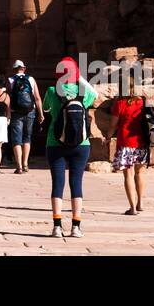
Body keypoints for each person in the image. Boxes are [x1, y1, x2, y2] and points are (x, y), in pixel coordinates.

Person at [42, 56, 97, 237]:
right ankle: (76, 227)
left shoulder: (52, 90)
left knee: (57, 184)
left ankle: (57, 226)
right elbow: (95, 94)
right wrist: (80, 78)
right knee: (76, 183)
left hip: (55, 142)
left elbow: (46, 109)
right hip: (81, 144)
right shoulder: (84, 93)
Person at [110, 91, 149, 214]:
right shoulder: (143, 102)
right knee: (140, 173)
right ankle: (140, 203)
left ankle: (132, 208)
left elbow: (113, 124)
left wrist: (108, 136)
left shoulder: (120, 103)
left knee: (129, 175)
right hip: (141, 142)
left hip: (126, 143)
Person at [6, 60, 44, 175]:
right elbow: (37, 98)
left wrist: (7, 114)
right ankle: (25, 164)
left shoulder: (10, 80)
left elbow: (7, 99)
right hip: (30, 111)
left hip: (15, 112)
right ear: (24, 68)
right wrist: (41, 113)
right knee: (27, 137)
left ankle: (19, 167)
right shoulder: (31, 79)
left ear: (14, 69)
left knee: (16, 139)